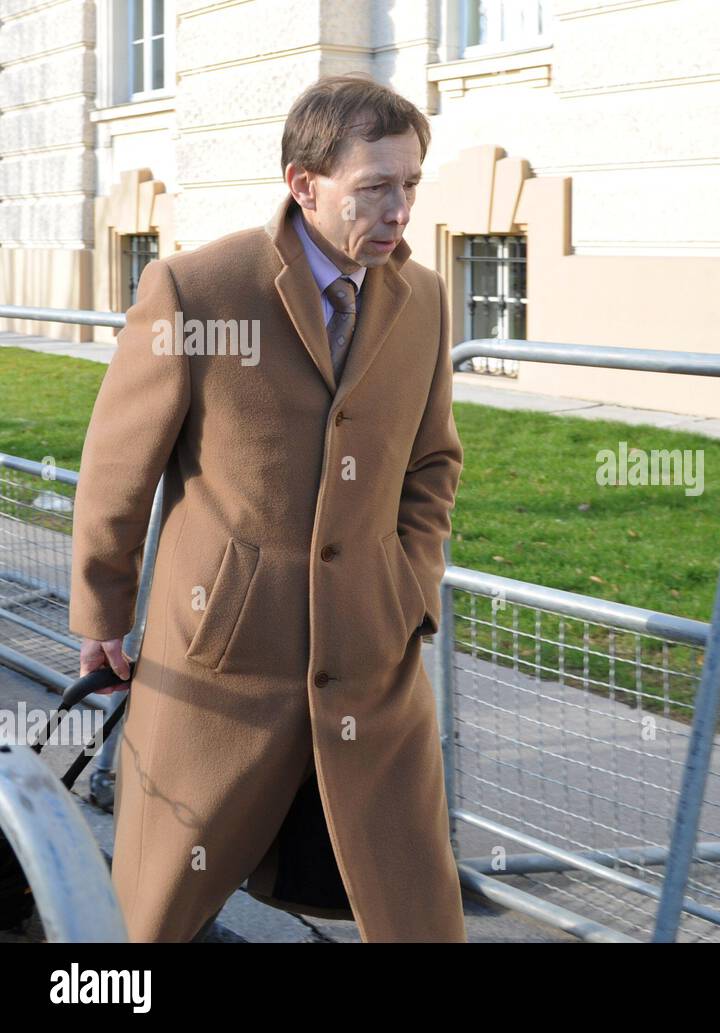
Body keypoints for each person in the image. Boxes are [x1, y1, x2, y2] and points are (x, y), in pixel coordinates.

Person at [69, 72, 467, 942]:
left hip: (373, 659)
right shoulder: (196, 289)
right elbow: (117, 467)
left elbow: (433, 460)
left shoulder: (425, 298)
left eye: (410, 187)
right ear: (305, 184)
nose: (398, 212)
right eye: (375, 189)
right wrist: (102, 610)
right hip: (221, 668)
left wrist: (408, 586)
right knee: (152, 917)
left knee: (419, 913)